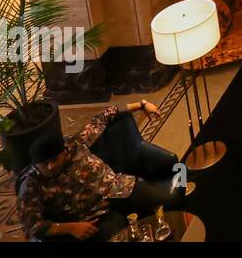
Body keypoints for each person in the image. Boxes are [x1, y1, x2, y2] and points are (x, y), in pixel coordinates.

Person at [17, 101, 184, 241]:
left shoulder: (76, 145)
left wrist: (142, 104)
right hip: (93, 218)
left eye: (54, 160)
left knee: (169, 202)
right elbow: (31, 226)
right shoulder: (31, 183)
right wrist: (69, 228)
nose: (50, 166)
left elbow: (104, 116)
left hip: (118, 188)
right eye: (44, 164)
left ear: (64, 152)